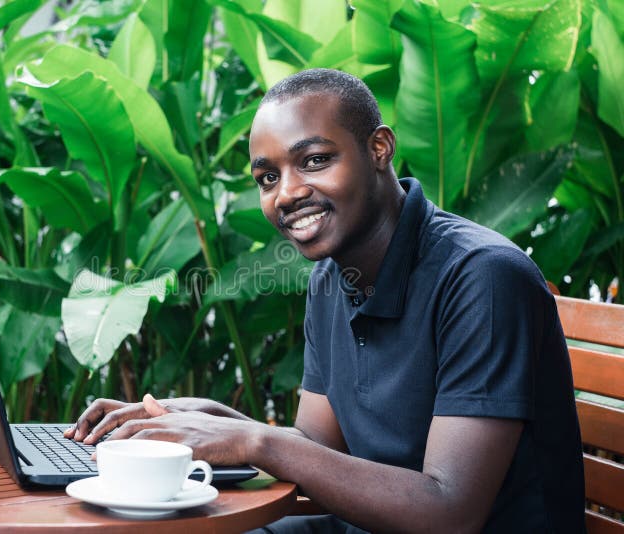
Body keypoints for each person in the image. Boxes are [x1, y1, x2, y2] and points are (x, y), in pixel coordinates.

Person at [64, 69, 585, 532]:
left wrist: (254, 441)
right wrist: (209, 421)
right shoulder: (333, 277)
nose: (286, 193)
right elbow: (319, 452)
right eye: (268, 177)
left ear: (378, 148)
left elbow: (450, 510)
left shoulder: (481, 278)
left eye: (314, 160)